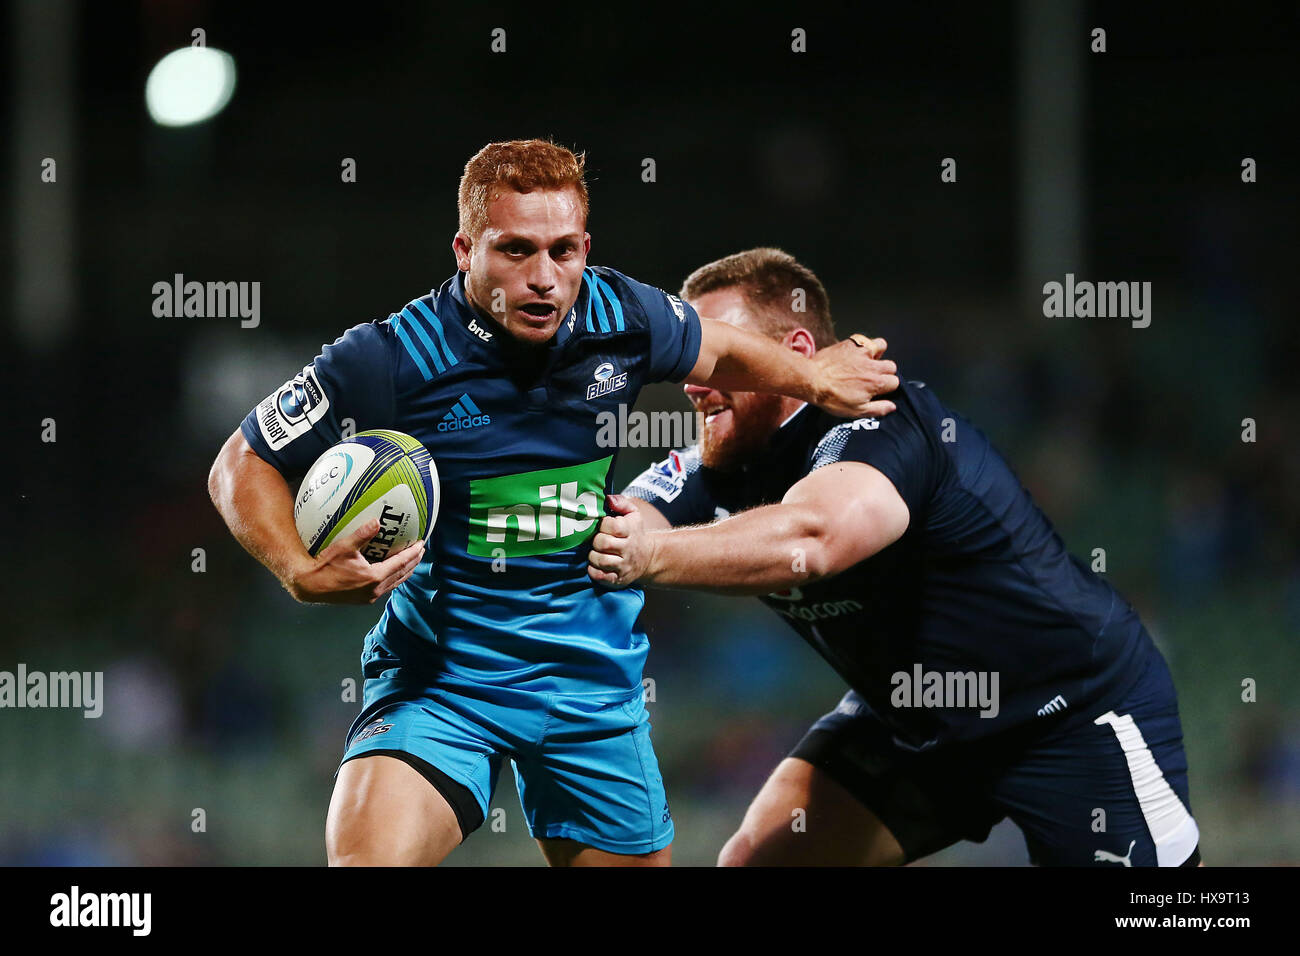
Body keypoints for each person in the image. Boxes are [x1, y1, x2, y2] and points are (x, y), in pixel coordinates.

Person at [207, 144, 900, 866]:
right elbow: (241, 462)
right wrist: (296, 569)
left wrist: (813, 379)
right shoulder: (388, 358)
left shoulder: (620, 313)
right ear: (465, 250)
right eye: (515, 251)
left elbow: (718, 349)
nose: (543, 279)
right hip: (443, 684)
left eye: (562, 251)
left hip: (589, 684)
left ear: (586, 249)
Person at [596, 247, 1202, 867]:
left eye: (724, 356)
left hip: (1066, 714)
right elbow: (609, 530)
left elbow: (813, 539)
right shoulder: (711, 464)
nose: (693, 380)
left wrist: (644, 554)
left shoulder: (884, 420)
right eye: (694, 356)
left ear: (795, 354)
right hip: (911, 723)